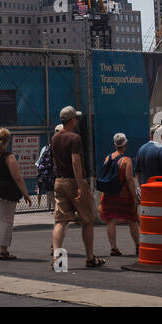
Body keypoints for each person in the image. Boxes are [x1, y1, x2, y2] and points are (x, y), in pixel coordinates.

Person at [51, 105, 104, 269]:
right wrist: (81, 185)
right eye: (76, 118)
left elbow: (54, 160)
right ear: (72, 120)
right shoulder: (75, 138)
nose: (77, 121)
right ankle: (89, 257)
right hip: (73, 181)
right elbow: (75, 162)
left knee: (61, 220)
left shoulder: (54, 138)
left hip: (59, 181)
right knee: (87, 220)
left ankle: (58, 259)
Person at [0, 127, 32, 260]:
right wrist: (25, 194)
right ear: (8, 140)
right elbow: (17, 178)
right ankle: (4, 251)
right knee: (6, 220)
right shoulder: (9, 157)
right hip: (6, 193)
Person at [98, 133, 138, 257]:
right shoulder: (126, 160)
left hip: (109, 194)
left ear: (115, 145)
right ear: (125, 144)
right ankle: (139, 246)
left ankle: (114, 248)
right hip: (124, 195)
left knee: (110, 220)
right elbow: (129, 179)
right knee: (132, 219)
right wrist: (135, 197)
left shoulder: (107, 158)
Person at [134, 119, 162, 184]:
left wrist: (142, 187)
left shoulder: (141, 149)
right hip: (160, 190)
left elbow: (137, 172)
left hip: (146, 190)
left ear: (150, 135)